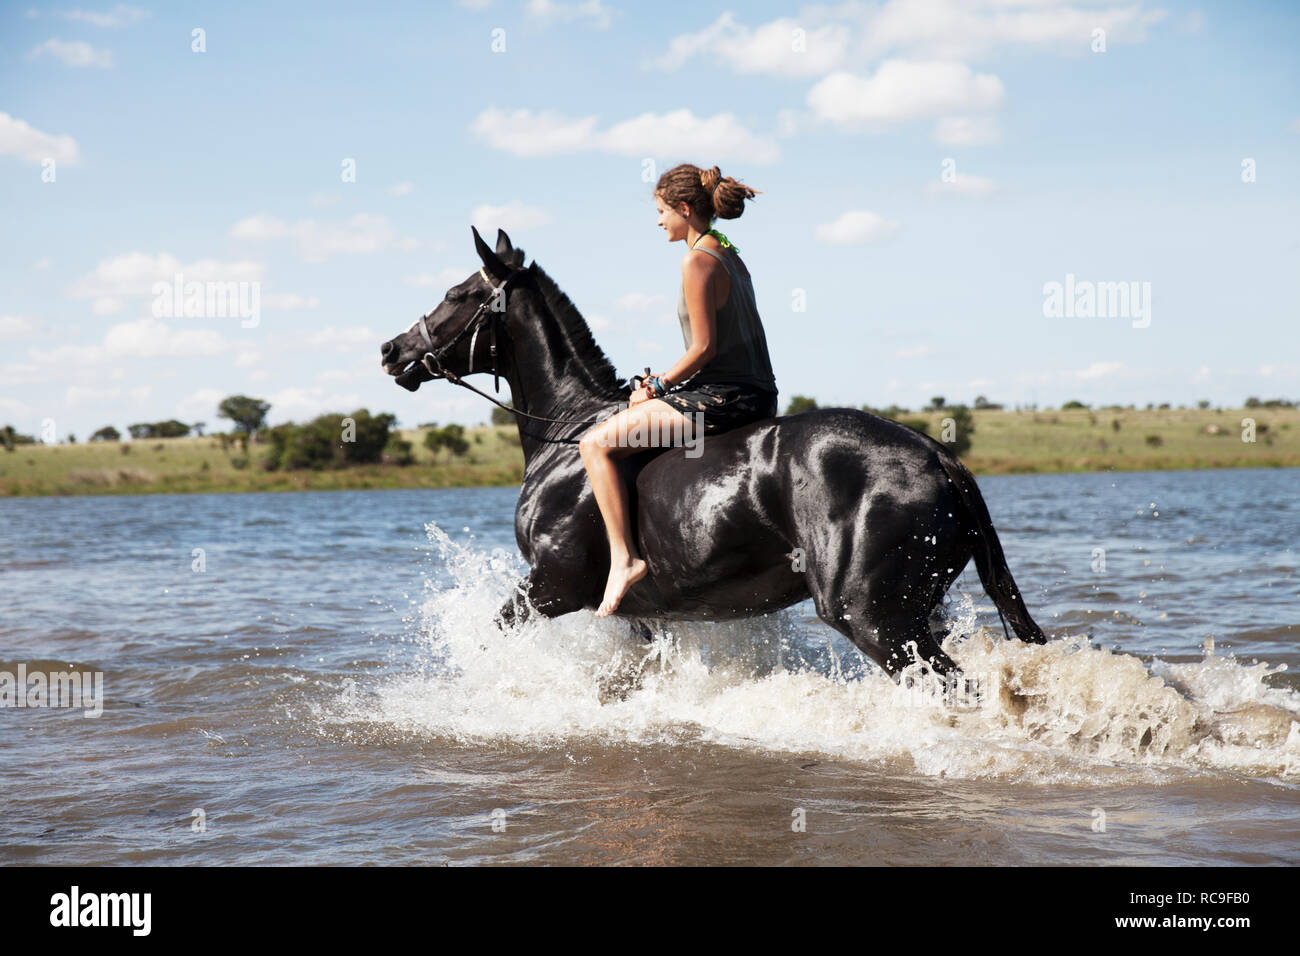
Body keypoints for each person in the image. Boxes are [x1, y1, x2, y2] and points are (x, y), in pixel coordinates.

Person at [578, 163, 780, 617]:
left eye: (662, 211)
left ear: (684, 208)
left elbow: (705, 347)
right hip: (754, 392)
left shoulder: (697, 259)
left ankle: (625, 560)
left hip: (724, 398)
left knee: (595, 444)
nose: (658, 221)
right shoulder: (728, 251)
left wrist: (659, 385)